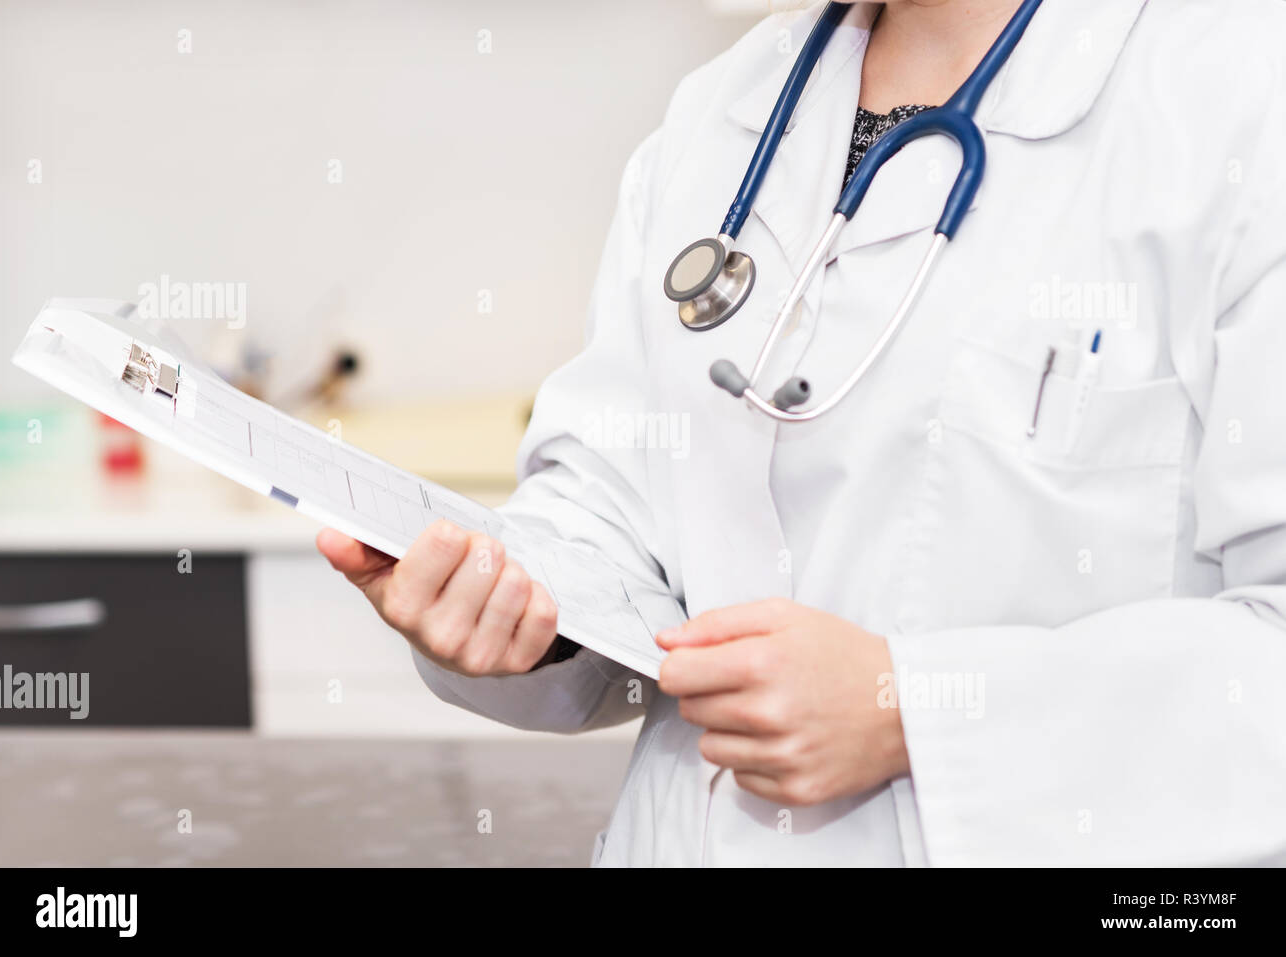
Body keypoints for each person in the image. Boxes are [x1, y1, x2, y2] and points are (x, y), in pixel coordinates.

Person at [317, 0, 1286, 866]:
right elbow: (610, 512)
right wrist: (514, 609)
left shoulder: (1238, 100)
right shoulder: (721, 112)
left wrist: (916, 711)